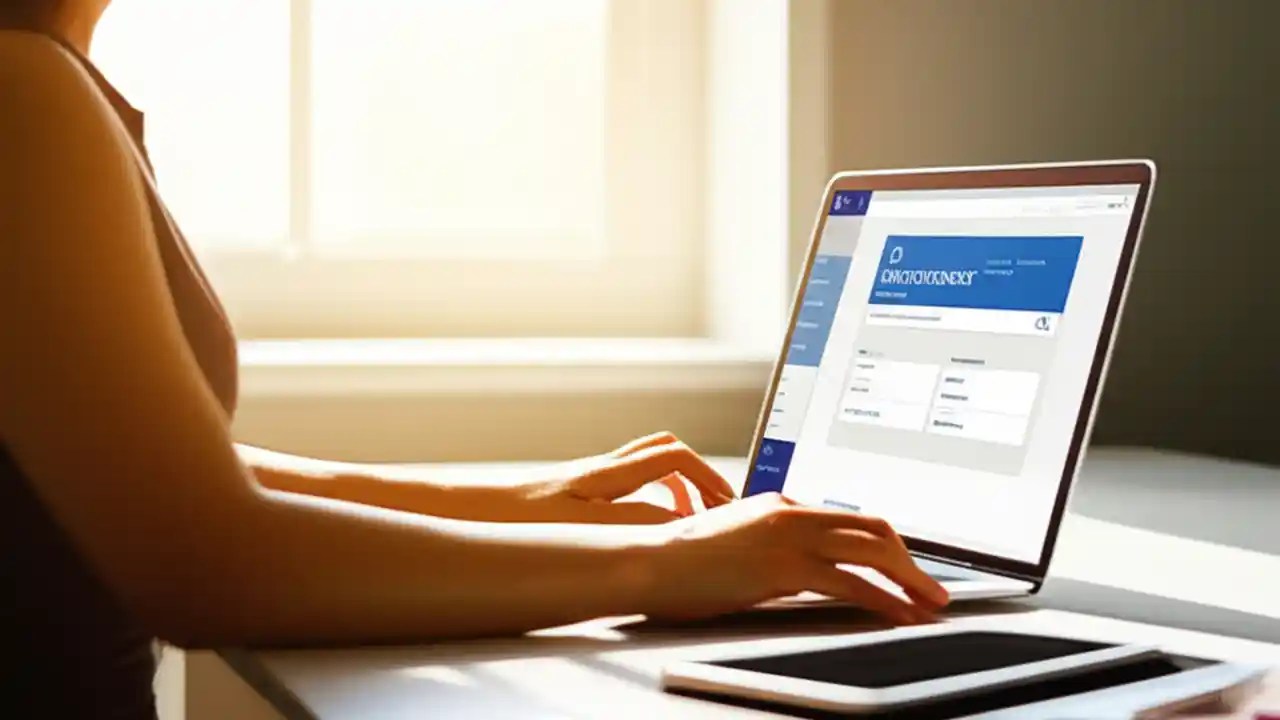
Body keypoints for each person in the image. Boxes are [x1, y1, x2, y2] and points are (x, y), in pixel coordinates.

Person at [0, 1, 949, 717]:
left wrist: (516, 502)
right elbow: (201, 558)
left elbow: (131, 474)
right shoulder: (20, 92)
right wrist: (659, 564)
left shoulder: (51, 76)